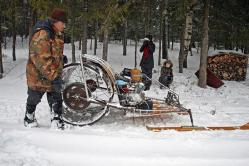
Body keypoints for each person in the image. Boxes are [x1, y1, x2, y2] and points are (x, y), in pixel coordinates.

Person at [24, 8, 67, 129]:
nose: (64, 25)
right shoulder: (42, 34)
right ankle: (29, 117)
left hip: (51, 72)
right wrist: (54, 76)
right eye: (63, 22)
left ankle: (56, 118)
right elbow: (41, 59)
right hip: (38, 75)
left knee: (56, 96)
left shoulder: (55, 33)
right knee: (34, 97)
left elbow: (52, 51)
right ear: (56, 22)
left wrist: (61, 58)